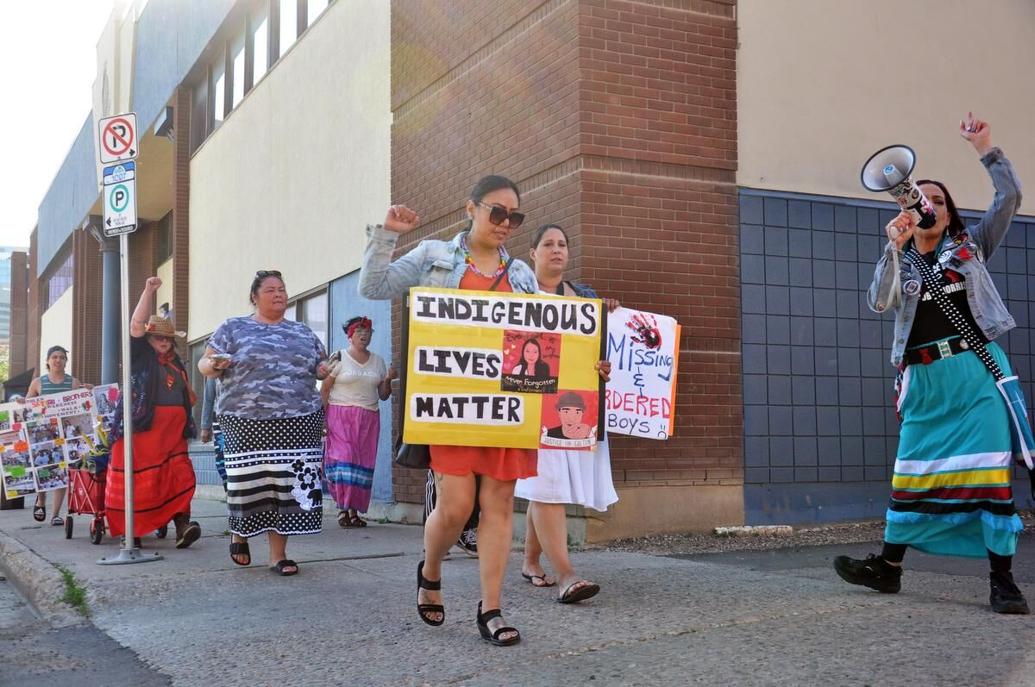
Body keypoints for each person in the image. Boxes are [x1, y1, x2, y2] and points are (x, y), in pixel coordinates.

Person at [361, 177, 610, 644]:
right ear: (470, 208)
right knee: (456, 507)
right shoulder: (434, 256)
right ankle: (430, 569)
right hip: (451, 404)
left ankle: (491, 609)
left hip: (507, 406)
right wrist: (388, 235)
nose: (505, 225)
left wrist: (588, 365)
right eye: (497, 213)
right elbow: (373, 285)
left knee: (497, 505)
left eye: (514, 218)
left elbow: (548, 337)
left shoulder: (519, 274)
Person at [833, 114, 1030, 614]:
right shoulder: (899, 253)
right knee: (911, 476)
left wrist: (986, 148)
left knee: (988, 478)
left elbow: (1008, 199)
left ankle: (1002, 581)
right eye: (917, 198)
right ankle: (889, 569)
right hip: (923, 382)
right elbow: (879, 302)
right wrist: (892, 248)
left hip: (974, 377)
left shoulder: (972, 248)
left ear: (948, 213)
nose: (927, 205)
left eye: (938, 200)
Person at [200, 270, 330, 576]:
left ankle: (278, 555)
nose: (278, 294)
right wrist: (214, 364)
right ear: (255, 297)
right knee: (249, 486)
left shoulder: (303, 333)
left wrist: (326, 369)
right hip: (246, 421)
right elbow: (205, 363)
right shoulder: (233, 328)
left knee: (287, 488)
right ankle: (240, 533)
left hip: (298, 422)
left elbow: (319, 369)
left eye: (282, 289)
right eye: (270, 289)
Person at [515, 223, 620, 602]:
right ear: (532, 253)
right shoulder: (516, 293)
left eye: (562, 244)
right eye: (548, 244)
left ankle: (530, 561)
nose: (556, 250)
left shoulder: (585, 296)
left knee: (546, 486)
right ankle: (567, 575)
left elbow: (602, 352)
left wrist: (603, 364)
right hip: (529, 402)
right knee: (547, 485)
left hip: (574, 404)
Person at [106, 278, 201, 549]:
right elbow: (136, 323)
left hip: (173, 435)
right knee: (138, 482)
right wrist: (148, 291)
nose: (165, 342)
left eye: (168, 339)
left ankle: (183, 525)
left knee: (178, 476)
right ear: (148, 339)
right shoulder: (139, 355)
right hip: (141, 433)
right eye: (159, 337)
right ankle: (131, 529)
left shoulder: (176, 363)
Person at [321, 316, 395, 528]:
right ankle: (342, 509)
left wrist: (388, 380)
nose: (364, 335)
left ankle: (354, 512)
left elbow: (383, 395)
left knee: (361, 464)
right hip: (340, 415)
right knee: (344, 459)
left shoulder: (378, 361)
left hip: (369, 417)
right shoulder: (339, 357)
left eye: (368, 332)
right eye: (359, 332)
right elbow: (325, 388)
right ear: (350, 335)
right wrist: (322, 419)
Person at [26, 345, 87, 526]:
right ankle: (41, 501)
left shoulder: (73, 382)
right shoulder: (38, 382)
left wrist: (89, 391)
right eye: (54, 357)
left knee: (62, 472)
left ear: (66, 362)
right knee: (43, 470)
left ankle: (55, 515)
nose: (58, 360)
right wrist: (24, 401)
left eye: (61, 357)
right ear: (47, 361)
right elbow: (27, 404)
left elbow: (83, 405)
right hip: (43, 435)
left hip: (65, 434)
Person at [200, 376, 226, 490]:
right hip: (220, 418)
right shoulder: (216, 362)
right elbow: (209, 398)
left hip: (242, 418)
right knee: (221, 459)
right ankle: (228, 491)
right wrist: (205, 426)